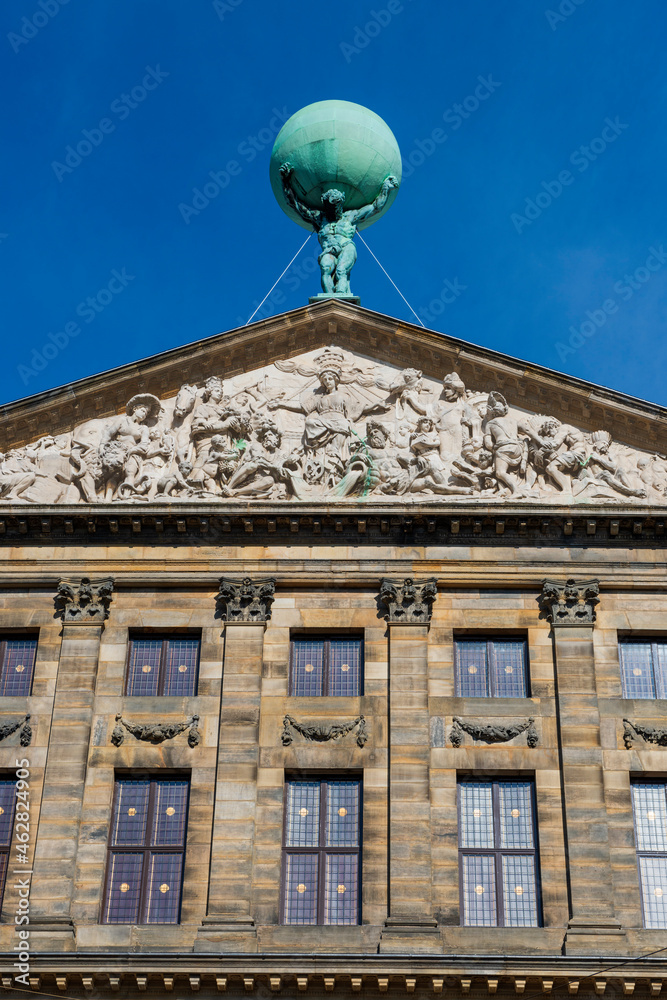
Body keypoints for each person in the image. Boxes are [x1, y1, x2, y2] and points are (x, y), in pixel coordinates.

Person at [280, 162, 398, 295]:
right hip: (329, 249)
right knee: (325, 268)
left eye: (336, 207)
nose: (333, 211)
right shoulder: (319, 217)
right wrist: (286, 180)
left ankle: (341, 297)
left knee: (341, 271)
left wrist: (385, 188)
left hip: (346, 246)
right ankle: (329, 300)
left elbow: (375, 207)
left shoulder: (351, 217)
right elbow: (294, 204)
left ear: (340, 205)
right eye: (330, 208)